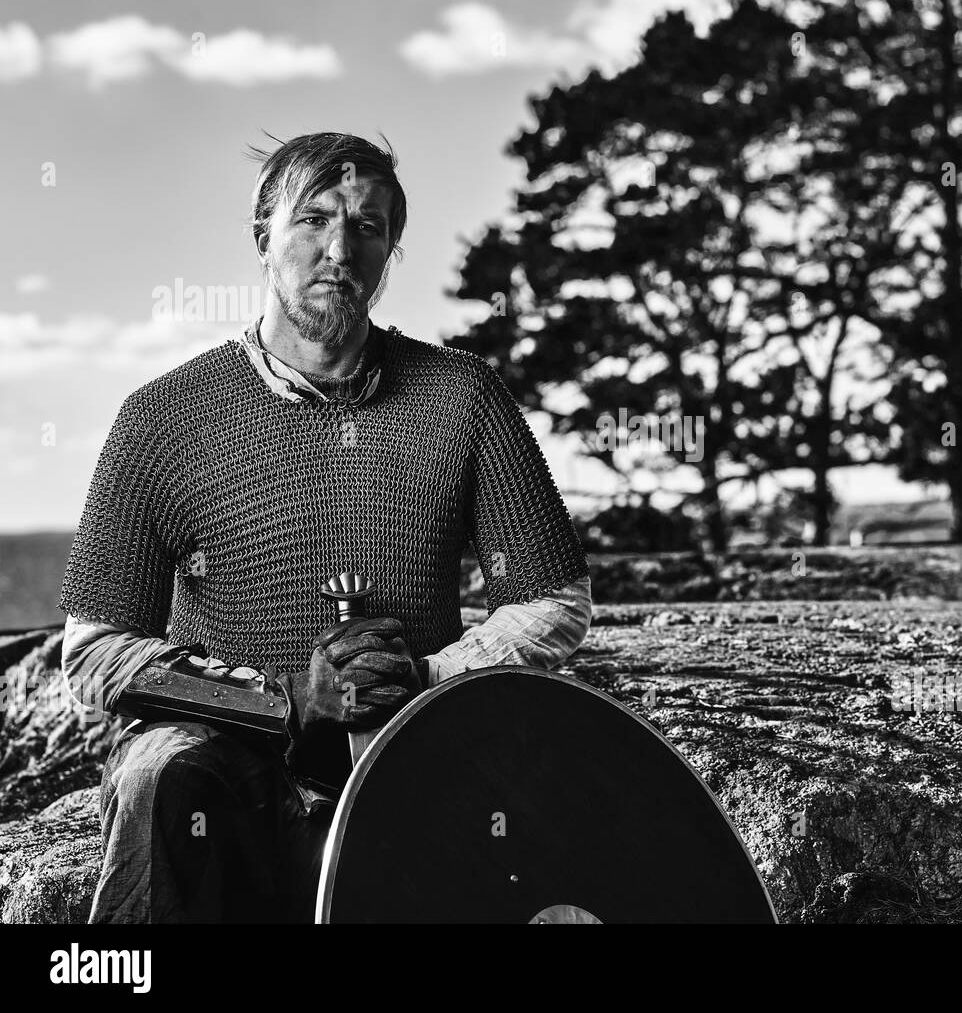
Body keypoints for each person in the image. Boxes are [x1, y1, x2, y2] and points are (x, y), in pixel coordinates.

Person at [58, 132, 592, 923]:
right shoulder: (163, 418)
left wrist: (425, 680)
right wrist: (283, 703)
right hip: (226, 762)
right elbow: (96, 653)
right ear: (262, 237)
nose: (339, 248)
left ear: (389, 250)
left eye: (368, 228)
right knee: (161, 777)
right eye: (312, 220)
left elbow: (554, 600)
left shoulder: (463, 397)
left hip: (404, 745)